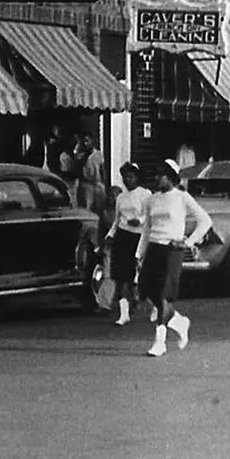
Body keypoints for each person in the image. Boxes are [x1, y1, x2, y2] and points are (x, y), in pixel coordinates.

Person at [135, 159, 212, 357]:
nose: (156, 178)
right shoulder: (151, 199)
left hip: (171, 250)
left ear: (169, 177)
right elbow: (146, 229)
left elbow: (205, 221)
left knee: (162, 294)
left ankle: (159, 342)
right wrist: (139, 253)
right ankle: (179, 322)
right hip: (154, 248)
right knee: (147, 291)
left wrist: (187, 242)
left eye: (159, 174)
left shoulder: (182, 197)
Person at [102, 163, 152, 326]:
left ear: (137, 177)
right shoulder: (121, 198)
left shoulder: (145, 194)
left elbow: (150, 215)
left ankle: (155, 306)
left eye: (130, 177)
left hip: (139, 235)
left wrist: (140, 220)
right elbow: (117, 220)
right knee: (121, 275)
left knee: (140, 274)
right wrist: (110, 235)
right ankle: (124, 314)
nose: (127, 180)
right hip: (123, 235)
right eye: (125, 177)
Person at [76, 133, 106, 214]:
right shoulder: (81, 155)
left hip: (97, 184)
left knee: (99, 208)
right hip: (86, 185)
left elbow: (102, 169)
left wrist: (103, 183)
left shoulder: (98, 154)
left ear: (92, 141)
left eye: (87, 141)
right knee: (87, 208)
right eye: (84, 142)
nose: (85, 144)